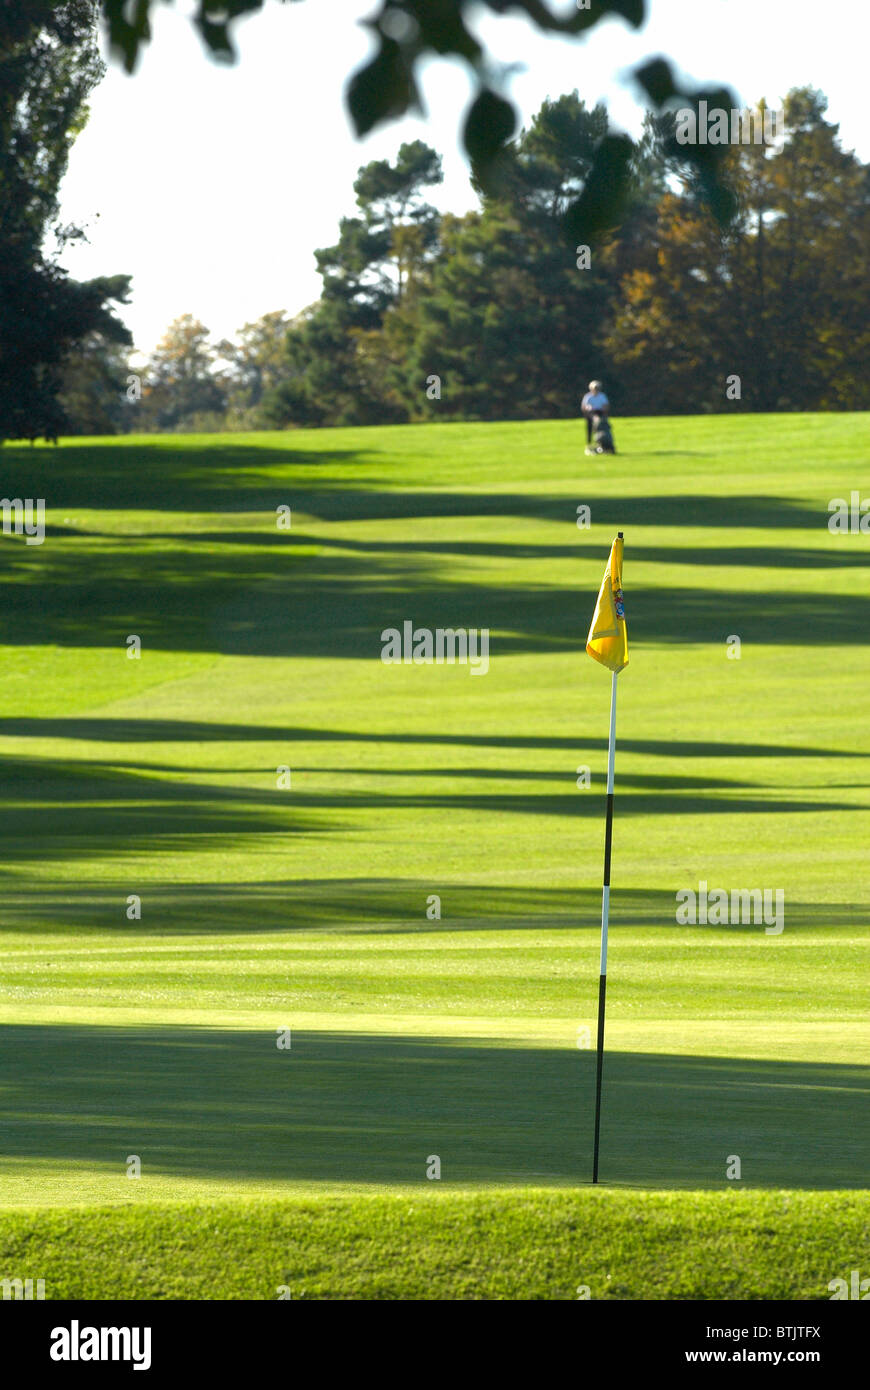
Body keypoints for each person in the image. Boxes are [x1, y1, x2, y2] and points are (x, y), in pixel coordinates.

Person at [581, 380, 610, 446]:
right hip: (590, 414)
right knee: (589, 428)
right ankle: (589, 443)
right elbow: (584, 406)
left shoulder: (602, 396)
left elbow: (606, 405)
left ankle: (600, 442)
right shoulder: (588, 396)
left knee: (601, 428)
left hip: (600, 413)